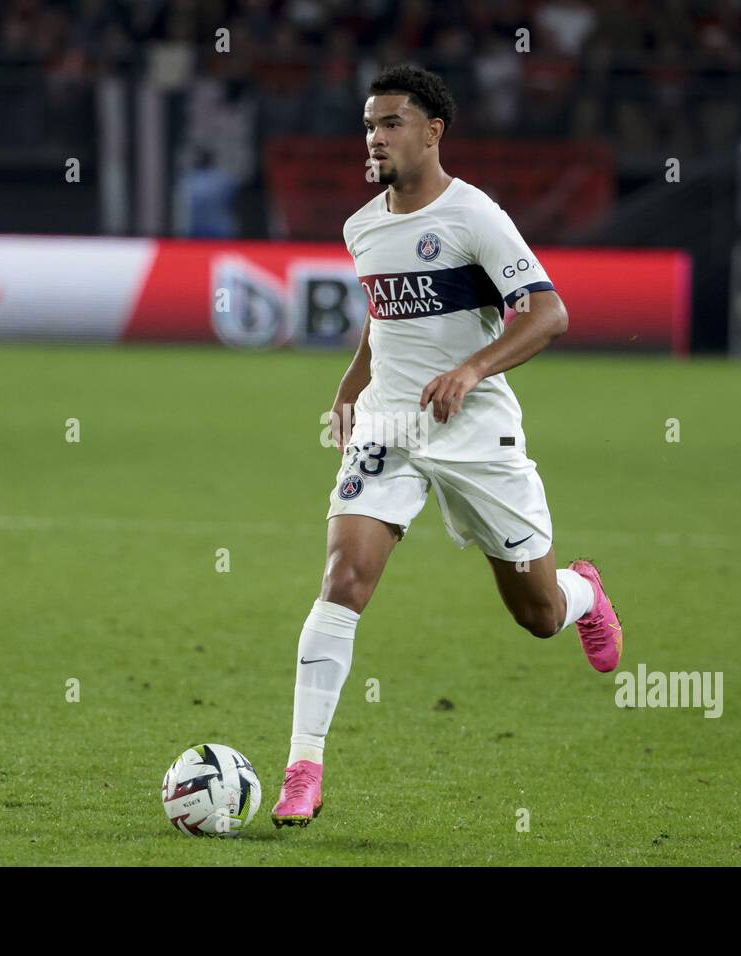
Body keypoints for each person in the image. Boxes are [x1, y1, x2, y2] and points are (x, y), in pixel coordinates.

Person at [271, 64, 623, 828]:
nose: (375, 137)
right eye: (369, 124)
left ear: (433, 131)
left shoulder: (474, 217)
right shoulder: (361, 227)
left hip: (475, 430)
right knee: (343, 579)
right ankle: (303, 768)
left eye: (391, 123)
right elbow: (383, 320)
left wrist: (472, 369)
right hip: (390, 427)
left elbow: (549, 314)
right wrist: (350, 387)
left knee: (537, 613)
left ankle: (585, 592)